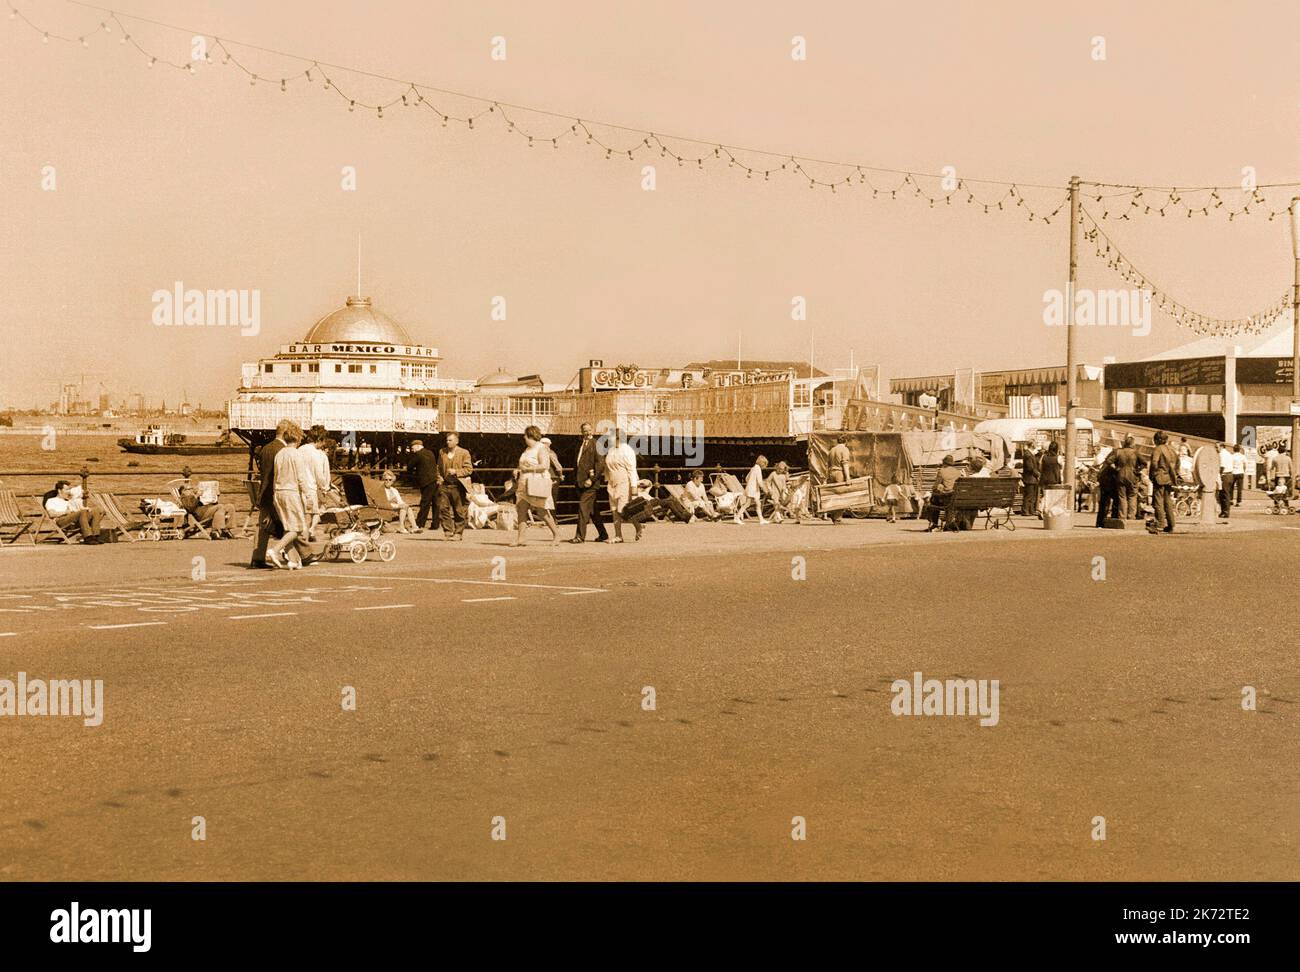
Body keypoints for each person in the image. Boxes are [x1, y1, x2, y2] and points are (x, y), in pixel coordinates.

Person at [266, 424, 315, 568]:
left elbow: (275, 475)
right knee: (297, 528)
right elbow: (301, 478)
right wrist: (308, 495)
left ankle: (293, 559)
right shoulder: (296, 454)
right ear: (298, 438)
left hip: (279, 492)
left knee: (288, 527)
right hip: (291, 492)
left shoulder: (280, 454)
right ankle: (275, 550)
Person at [251, 420, 293, 568]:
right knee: (289, 525)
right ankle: (295, 556)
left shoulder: (266, 448)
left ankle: (257, 557)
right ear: (286, 433)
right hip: (275, 493)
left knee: (263, 527)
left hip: (263, 493)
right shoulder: (282, 450)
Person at [511, 426, 560, 546]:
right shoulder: (527, 449)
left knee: (541, 511)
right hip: (524, 482)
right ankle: (520, 538)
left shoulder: (541, 448)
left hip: (536, 483)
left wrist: (528, 469)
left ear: (530, 435)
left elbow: (545, 465)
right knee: (521, 509)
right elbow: (523, 464)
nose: (523, 437)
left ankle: (556, 535)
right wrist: (518, 469)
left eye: (525, 435)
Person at [570, 422, 608, 543]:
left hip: (590, 483)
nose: (587, 433)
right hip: (580, 482)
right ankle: (603, 534)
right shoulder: (579, 444)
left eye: (589, 430)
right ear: (581, 432)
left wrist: (591, 479)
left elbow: (600, 464)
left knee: (582, 507)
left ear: (592, 430)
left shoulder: (597, 444)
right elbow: (577, 463)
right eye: (584, 431)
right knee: (593, 511)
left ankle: (580, 536)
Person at [603, 427, 639, 544]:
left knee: (622, 510)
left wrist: (634, 489)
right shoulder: (611, 450)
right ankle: (618, 535)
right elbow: (607, 467)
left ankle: (638, 526)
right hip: (612, 483)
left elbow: (632, 470)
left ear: (618, 438)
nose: (609, 439)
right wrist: (606, 479)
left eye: (611, 436)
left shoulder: (627, 450)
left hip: (624, 482)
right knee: (614, 510)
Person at [437, 432, 473, 540]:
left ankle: (458, 533)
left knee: (459, 510)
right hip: (445, 485)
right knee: (443, 508)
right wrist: (439, 478)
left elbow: (469, 469)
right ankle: (448, 531)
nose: (448, 442)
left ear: (456, 441)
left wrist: (456, 472)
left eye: (450, 440)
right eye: (447, 440)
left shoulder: (464, 453)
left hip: (458, 485)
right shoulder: (442, 452)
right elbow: (438, 467)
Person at [298, 425, 331, 541]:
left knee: (300, 519)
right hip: (310, 489)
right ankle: (304, 544)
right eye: (323, 441)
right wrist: (325, 487)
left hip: (297, 489)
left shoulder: (299, 450)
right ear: (319, 440)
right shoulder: (317, 454)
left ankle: (297, 543)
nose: (323, 444)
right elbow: (320, 476)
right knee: (309, 517)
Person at [1148, 430, 1179, 534]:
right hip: (1169, 478)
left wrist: (1154, 473)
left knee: (1158, 502)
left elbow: (1154, 462)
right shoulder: (1172, 450)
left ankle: (1159, 524)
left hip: (1159, 477)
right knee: (1167, 502)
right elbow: (1178, 463)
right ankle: (1171, 524)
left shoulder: (1158, 449)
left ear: (1157, 440)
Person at [407, 439, 440, 532]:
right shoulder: (430, 453)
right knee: (436, 503)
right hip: (434, 480)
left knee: (425, 503)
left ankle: (419, 523)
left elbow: (410, 466)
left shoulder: (418, 454)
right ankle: (435, 523)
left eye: (412, 448)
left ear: (417, 446)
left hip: (425, 482)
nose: (412, 450)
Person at [926, 454, 964, 531]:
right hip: (955, 499)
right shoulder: (957, 472)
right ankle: (948, 524)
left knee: (934, 500)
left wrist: (935, 491)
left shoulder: (942, 471)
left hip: (946, 499)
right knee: (939, 499)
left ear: (944, 463)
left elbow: (935, 487)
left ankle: (935, 524)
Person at [826, 433, 852, 525]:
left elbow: (828, 465)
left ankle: (833, 514)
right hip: (839, 473)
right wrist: (848, 477)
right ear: (846, 441)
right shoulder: (844, 449)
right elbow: (845, 463)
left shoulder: (832, 450)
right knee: (841, 495)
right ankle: (837, 518)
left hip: (831, 473)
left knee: (833, 495)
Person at [1113, 436, 1140, 519]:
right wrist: (1137, 470)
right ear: (1133, 444)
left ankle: (1122, 516)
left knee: (1122, 497)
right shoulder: (1136, 453)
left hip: (1121, 476)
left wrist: (1117, 468)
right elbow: (1144, 463)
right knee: (1132, 496)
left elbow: (1109, 461)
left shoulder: (1119, 452)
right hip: (1132, 476)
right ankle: (1131, 516)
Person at [738, 455, 769, 525]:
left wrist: (751, 482)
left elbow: (746, 478)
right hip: (753, 489)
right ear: (762, 463)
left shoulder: (753, 468)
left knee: (757, 504)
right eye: (765, 464)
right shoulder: (758, 469)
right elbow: (760, 481)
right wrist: (765, 489)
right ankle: (737, 517)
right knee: (748, 504)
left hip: (751, 488)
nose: (765, 466)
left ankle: (761, 519)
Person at [1094, 450, 1121, 528]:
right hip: (1110, 484)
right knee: (1115, 502)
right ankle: (1113, 519)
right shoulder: (1113, 463)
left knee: (1103, 503)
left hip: (1104, 483)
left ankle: (1100, 523)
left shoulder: (1105, 463)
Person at [1019, 444, 1041, 517]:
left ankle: (1031, 510)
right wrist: (1037, 474)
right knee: (1029, 495)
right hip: (1030, 478)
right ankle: (1025, 511)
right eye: (1035, 443)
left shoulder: (1029, 453)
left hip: (1031, 478)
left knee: (1032, 495)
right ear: (1032, 445)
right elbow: (1030, 467)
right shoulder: (1028, 454)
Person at [1217, 442, 1234, 519]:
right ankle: (1224, 511)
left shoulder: (1222, 454)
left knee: (1224, 494)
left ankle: (1225, 512)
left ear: (1221, 447)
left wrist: (1218, 474)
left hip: (1225, 475)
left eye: (1217, 447)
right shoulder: (1228, 454)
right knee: (1226, 494)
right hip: (1230, 475)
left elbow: (1222, 466)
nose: (1216, 449)